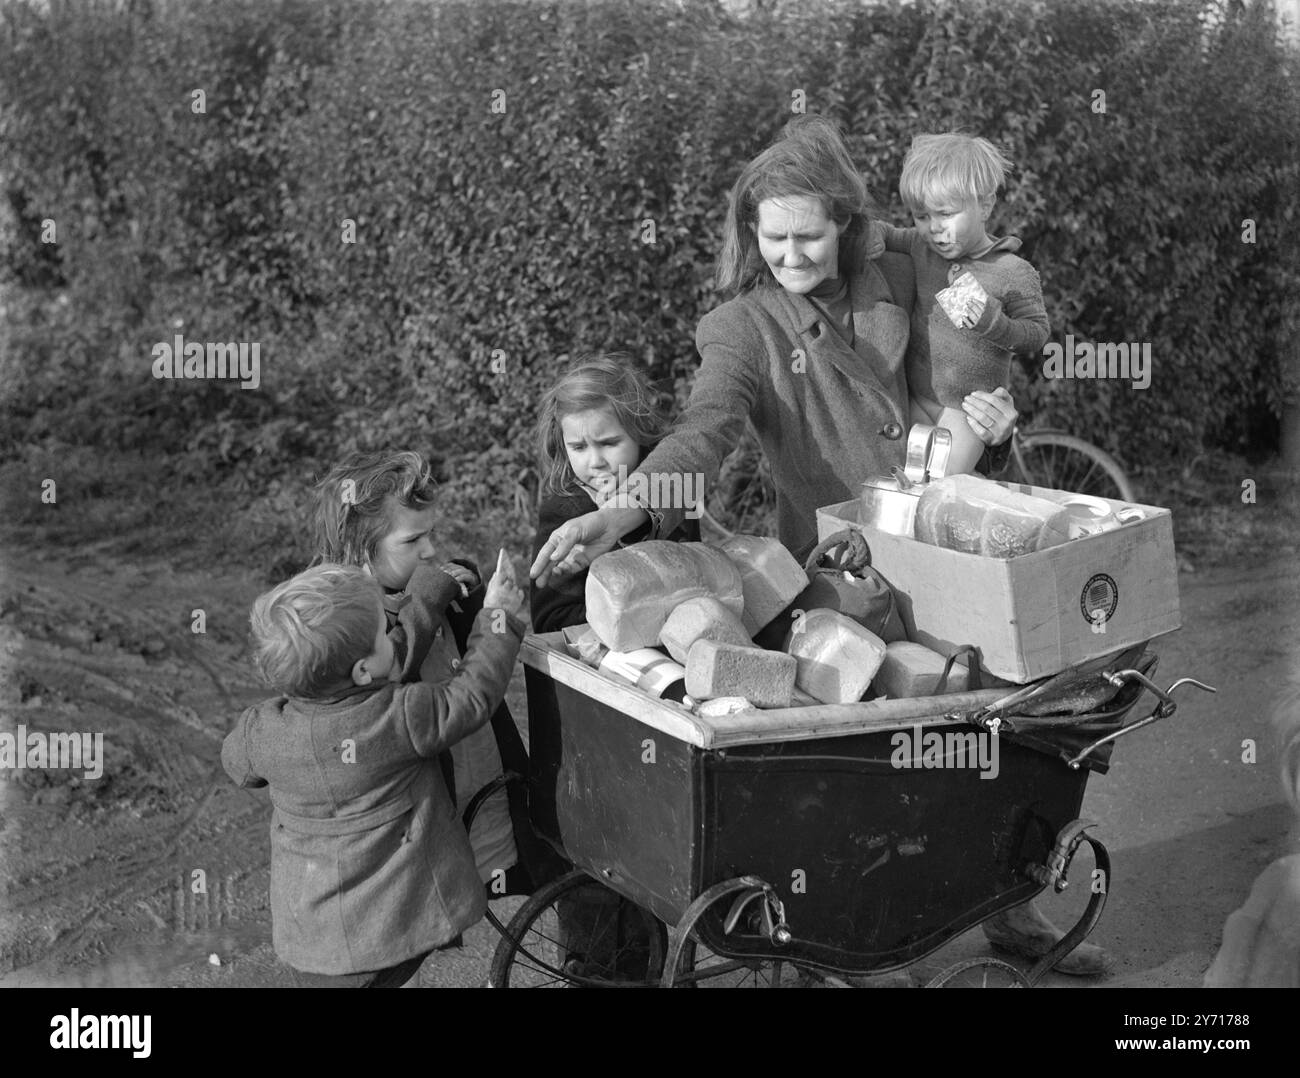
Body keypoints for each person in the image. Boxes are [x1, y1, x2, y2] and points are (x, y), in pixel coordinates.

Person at [531, 115, 1110, 977]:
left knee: (992, 726)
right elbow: (704, 431)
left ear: (847, 222)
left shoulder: (911, 256)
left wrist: (996, 398)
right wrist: (614, 519)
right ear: (750, 233)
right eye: (774, 238)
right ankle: (834, 935)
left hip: (963, 532)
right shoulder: (741, 329)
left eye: (810, 234)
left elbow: (1006, 308)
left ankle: (1006, 901)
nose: (793, 254)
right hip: (846, 569)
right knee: (858, 756)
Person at [222, 560, 526, 986]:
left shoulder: (262, 732)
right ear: (363, 671)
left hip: (309, 939)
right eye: (385, 633)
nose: (393, 636)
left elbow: (236, 765)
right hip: (387, 936)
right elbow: (473, 696)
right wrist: (499, 617)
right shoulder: (400, 717)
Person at [313, 450, 563, 898]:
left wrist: (469, 593)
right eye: (412, 542)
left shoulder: (421, 588)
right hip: (416, 828)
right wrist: (434, 593)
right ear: (356, 547)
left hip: (477, 788)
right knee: (418, 928)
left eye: (431, 535)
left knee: (505, 870)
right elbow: (397, 661)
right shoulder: (339, 624)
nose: (430, 552)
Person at [879, 133, 1050, 474]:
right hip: (914, 395)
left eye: (944, 214)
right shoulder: (920, 246)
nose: (933, 229)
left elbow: (1037, 334)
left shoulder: (1012, 271)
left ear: (985, 205)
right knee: (903, 481)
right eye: (921, 216)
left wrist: (994, 325)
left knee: (941, 492)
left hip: (968, 412)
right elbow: (886, 234)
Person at [531, 353, 699, 634]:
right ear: (562, 443)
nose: (595, 461)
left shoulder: (672, 491)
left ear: (640, 430)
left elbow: (693, 575)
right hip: (593, 667)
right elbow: (550, 620)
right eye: (579, 447)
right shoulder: (566, 511)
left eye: (609, 443)